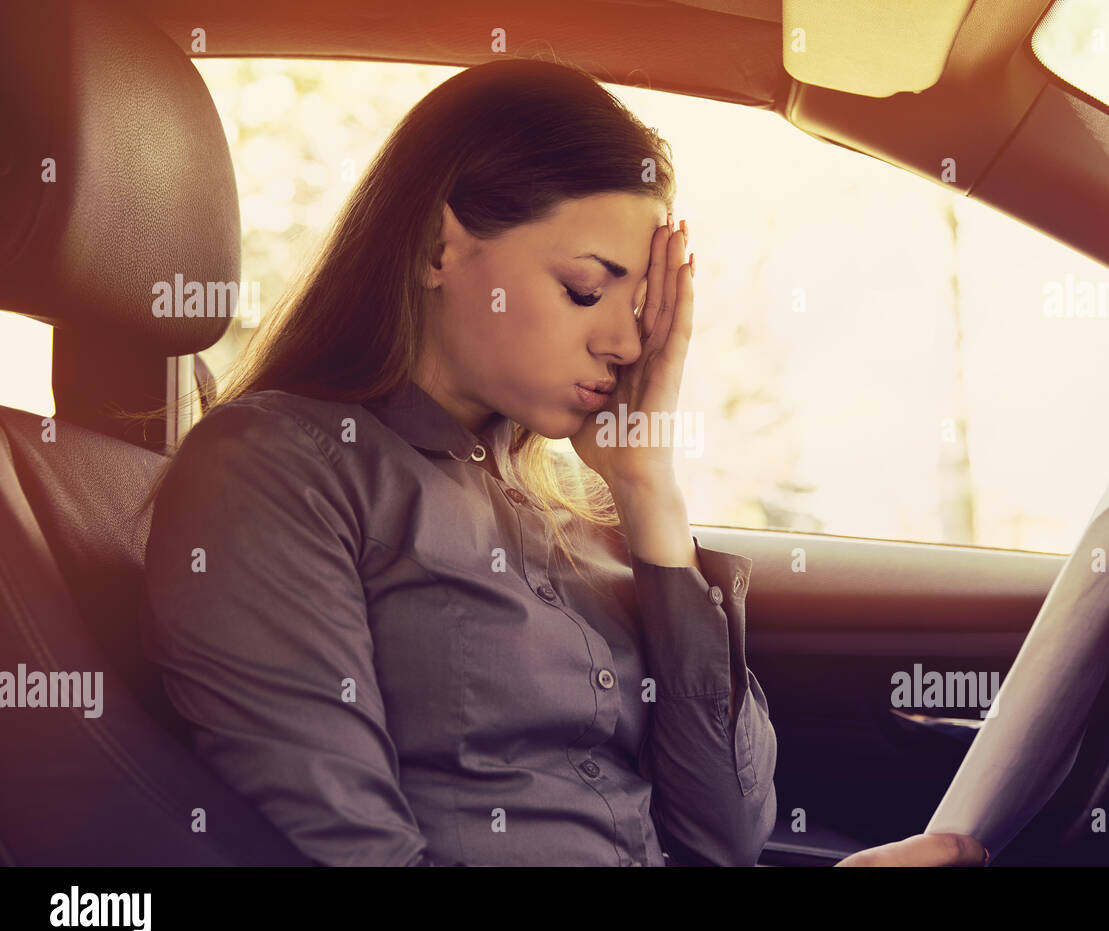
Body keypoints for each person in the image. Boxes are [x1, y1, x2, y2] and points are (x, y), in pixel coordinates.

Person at [138, 56, 983, 868]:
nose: (622, 344)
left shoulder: (571, 511)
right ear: (440, 247)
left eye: (639, 308)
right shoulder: (278, 472)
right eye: (586, 288)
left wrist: (648, 490)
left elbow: (727, 833)